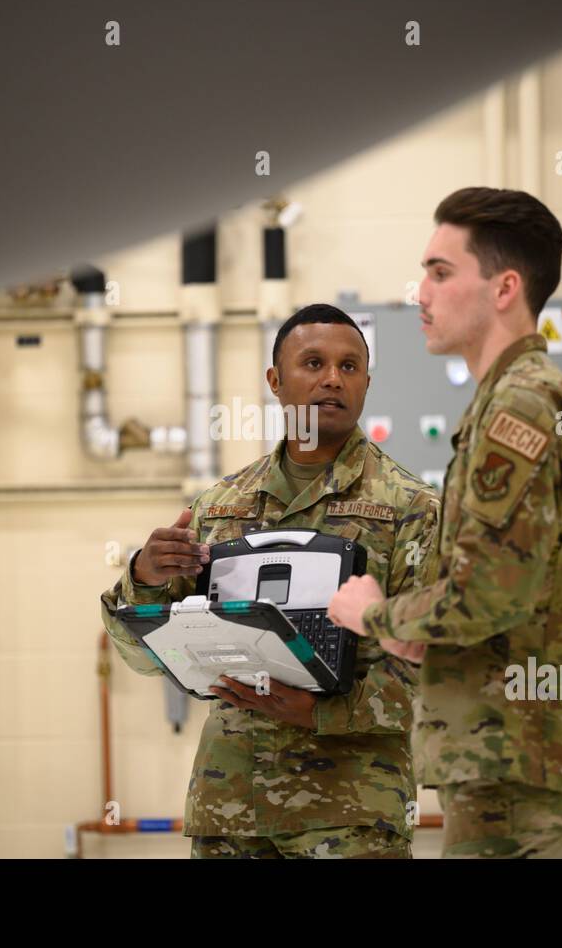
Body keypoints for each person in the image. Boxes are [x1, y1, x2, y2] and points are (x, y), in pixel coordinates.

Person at [328, 188, 562, 858]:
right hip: (529, 757)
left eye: (440, 273)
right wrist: (422, 639)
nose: (421, 294)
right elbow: (518, 594)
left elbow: (486, 593)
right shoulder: (526, 399)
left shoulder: (521, 408)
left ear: (504, 288)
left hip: (516, 766)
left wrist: (373, 614)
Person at [100, 303, 440, 858]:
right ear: (275, 382)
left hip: (350, 815)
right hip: (230, 810)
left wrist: (319, 712)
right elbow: (145, 659)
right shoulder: (219, 505)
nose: (333, 377)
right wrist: (144, 577)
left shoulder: (413, 510)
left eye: (350, 367)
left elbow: (440, 668)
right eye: (313, 362)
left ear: (367, 384)